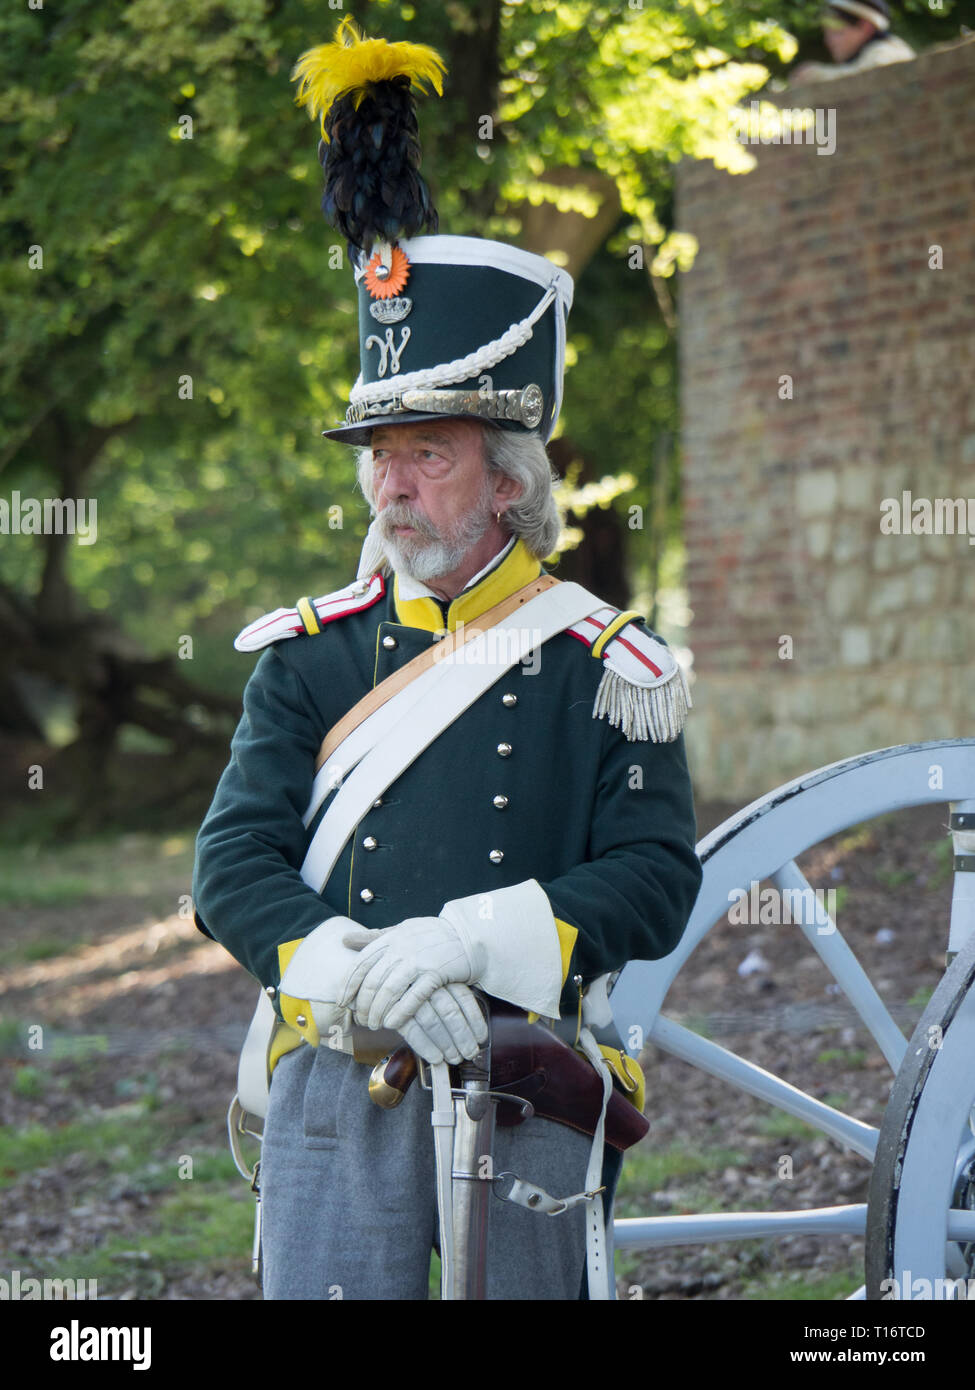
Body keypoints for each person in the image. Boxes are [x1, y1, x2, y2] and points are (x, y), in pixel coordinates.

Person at [192, 18, 702, 1301]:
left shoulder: (607, 665)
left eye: (431, 453)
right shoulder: (308, 655)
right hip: (334, 1066)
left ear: (510, 475)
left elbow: (651, 879)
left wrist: (474, 947)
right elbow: (231, 864)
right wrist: (352, 969)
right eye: (380, 453)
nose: (394, 484)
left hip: (527, 1075)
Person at [791, 1, 915, 85]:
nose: (828, 41)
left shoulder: (889, 51)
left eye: (837, 32)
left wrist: (816, 75)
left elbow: (869, 77)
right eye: (826, 33)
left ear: (866, 27)